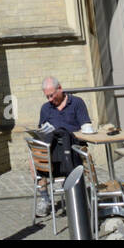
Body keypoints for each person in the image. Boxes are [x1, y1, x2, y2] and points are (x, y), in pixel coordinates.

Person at [34, 76, 92, 218]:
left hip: (72, 149)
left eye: (52, 95)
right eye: (47, 96)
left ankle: (70, 188)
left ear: (60, 88)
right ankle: (45, 198)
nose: (49, 99)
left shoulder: (77, 103)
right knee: (35, 154)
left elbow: (86, 127)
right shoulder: (46, 108)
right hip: (52, 153)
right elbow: (42, 130)